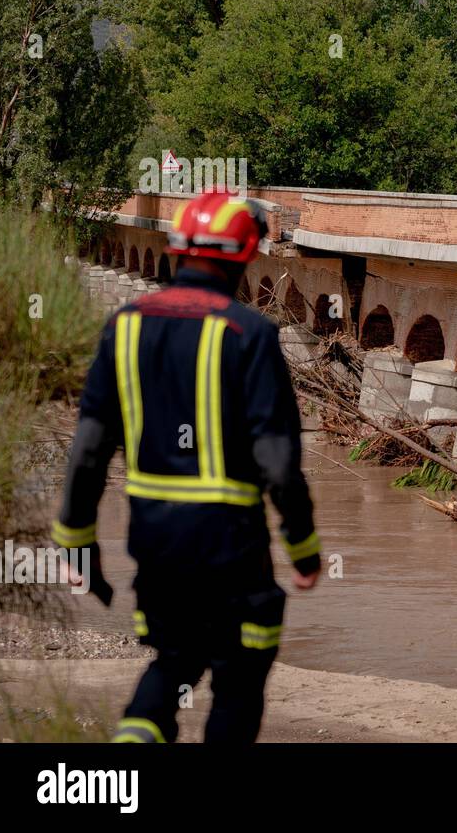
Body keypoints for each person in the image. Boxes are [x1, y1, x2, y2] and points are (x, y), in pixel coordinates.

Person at [54, 187, 320, 743]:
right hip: (230, 540)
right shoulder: (251, 334)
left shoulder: (123, 326)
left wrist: (78, 543)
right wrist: (303, 547)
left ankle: (133, 739)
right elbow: (276, 460)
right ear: (243, 258)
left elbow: (88, 450)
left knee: (173, 660)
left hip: (153, 536)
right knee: (240, 671)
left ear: (176, 251)